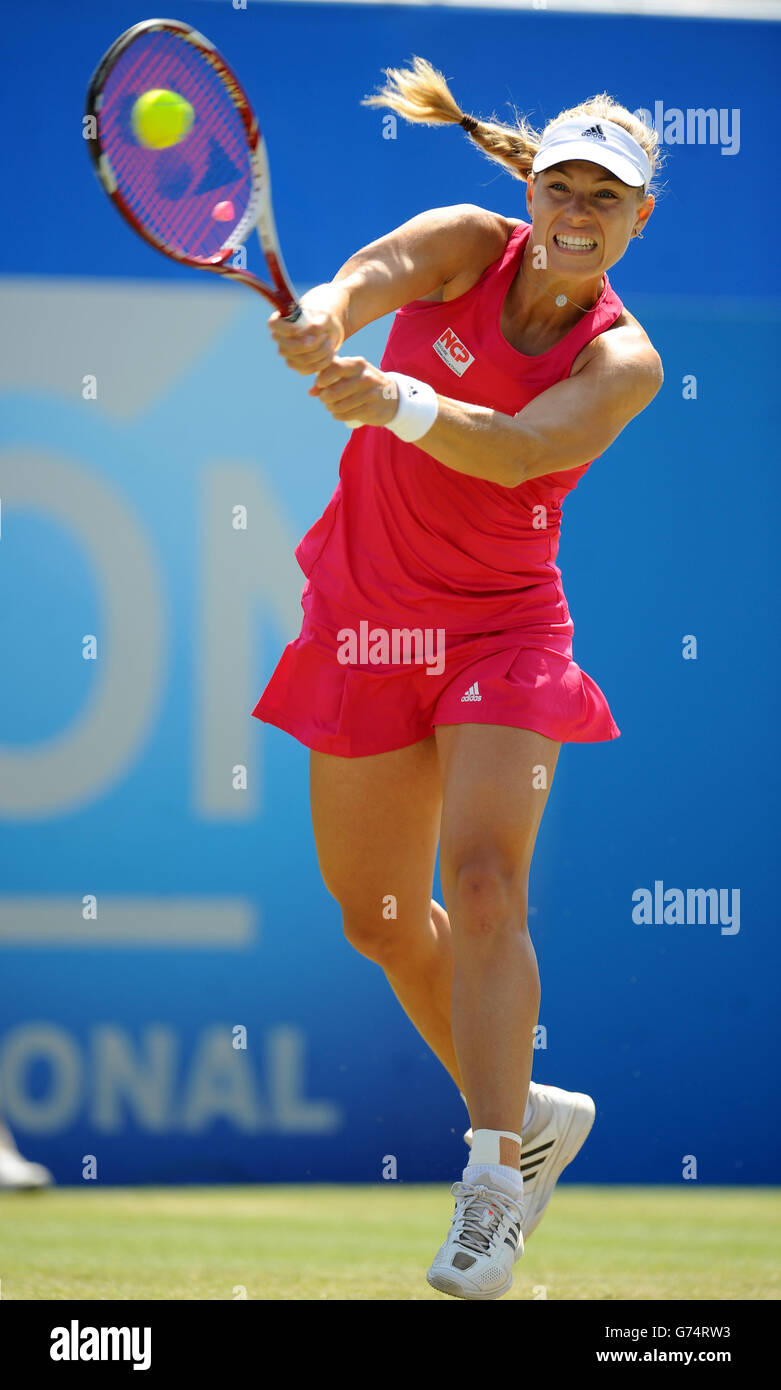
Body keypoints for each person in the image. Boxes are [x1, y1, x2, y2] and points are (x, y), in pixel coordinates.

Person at [253, 56, 663, 1300]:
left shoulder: (624, 359)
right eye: (564, 187)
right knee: (377, 921)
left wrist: (394, 398)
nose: (579, 211)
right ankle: (528, 1105)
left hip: (502, 635)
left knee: (483, 885)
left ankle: (492, 1182)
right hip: (367, 621)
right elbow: (372, 274)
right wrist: (325, 312)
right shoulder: (465, 241)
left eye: (608, 195)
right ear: (530, 193)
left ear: (640, 217)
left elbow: (522, 449)